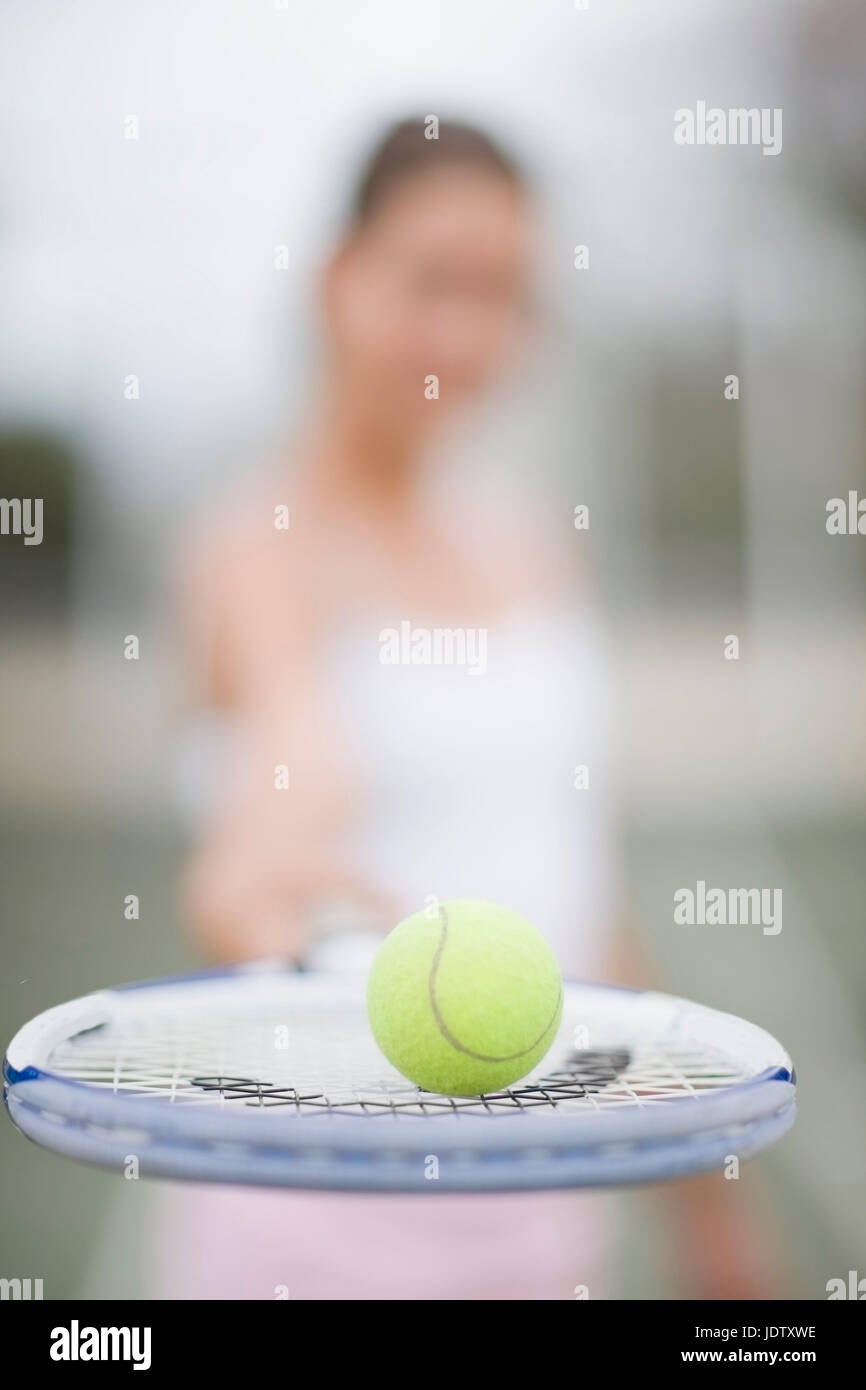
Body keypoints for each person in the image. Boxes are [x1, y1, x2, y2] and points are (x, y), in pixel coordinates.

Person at [147, 117, 776, 1300]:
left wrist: (710, 1201)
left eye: (503, 296)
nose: (464, 336)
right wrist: (268, 879)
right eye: (430, 281)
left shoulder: (530, 546)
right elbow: (290, 774)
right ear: (339, 280)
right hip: (313, 1222)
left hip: (537, 1208)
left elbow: (576, 886)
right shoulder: (255, 546)